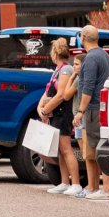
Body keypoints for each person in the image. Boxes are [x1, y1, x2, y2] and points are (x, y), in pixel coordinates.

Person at [38, 39, 83, 197]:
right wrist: (41, 108)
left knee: (66, 148)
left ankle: (76, 183)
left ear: (55, 53)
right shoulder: (57, 70)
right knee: (60, 149)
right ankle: (64, 182)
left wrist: (45, 110)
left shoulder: (66, 70)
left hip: (63, 113)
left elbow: (60, 96)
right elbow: (47, 93)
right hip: (56, 114)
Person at [75, 25, 109, 201]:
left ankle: (107, 189)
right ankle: (94, 187)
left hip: (93, 108)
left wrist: (80, 111)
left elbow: (88, 87)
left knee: (99, 148)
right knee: (96, 148)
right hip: (103, 107)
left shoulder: (91, 58)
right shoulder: (105, 56)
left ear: (83, 37)